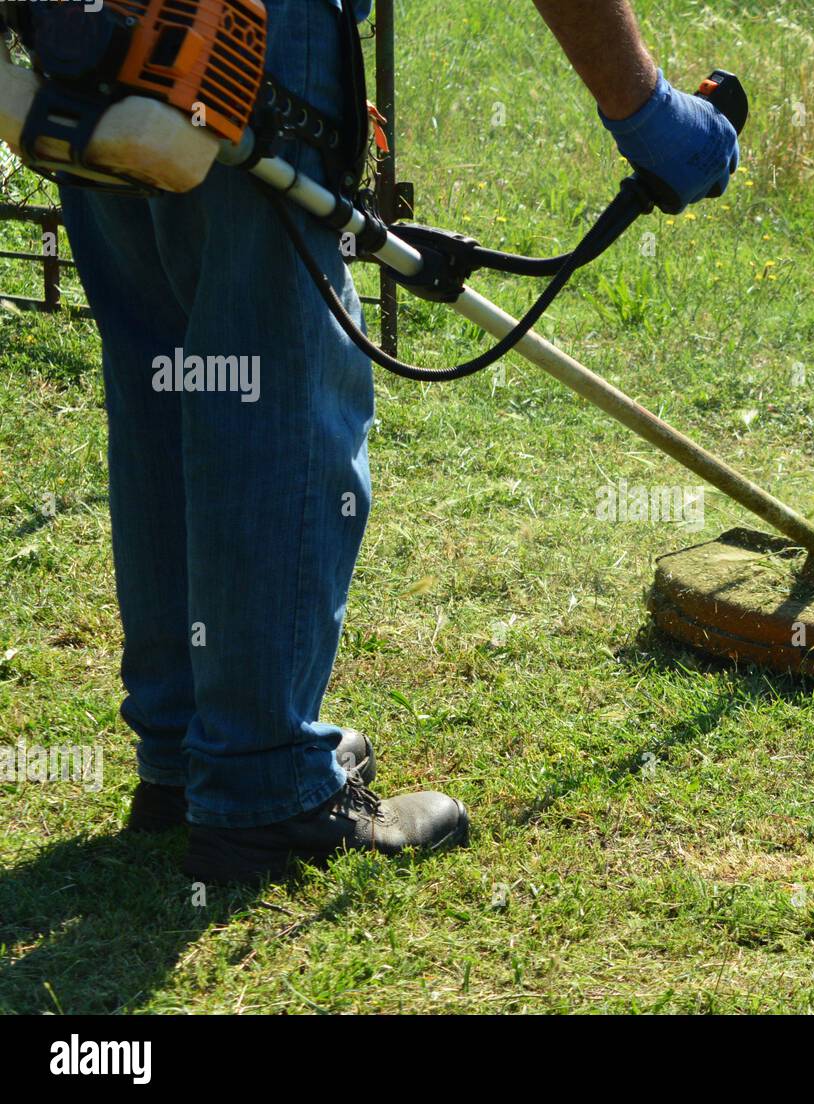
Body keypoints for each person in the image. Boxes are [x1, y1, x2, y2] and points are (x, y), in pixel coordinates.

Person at [57, 0, 740, 883]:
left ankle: (194, 752)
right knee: (270, 387)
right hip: (243, 30)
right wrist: (647, 108)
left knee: (168, 378)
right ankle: (261, 784)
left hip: (88, 31)